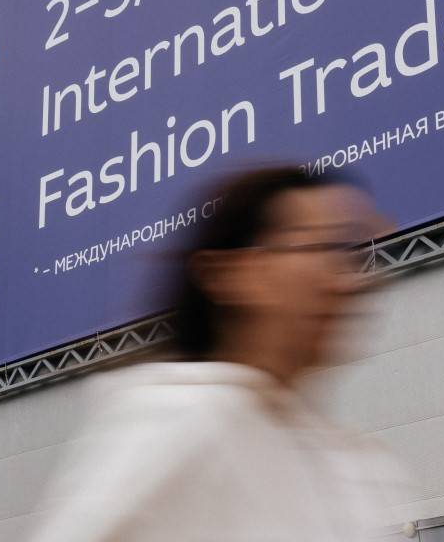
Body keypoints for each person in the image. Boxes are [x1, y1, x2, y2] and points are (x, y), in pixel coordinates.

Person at [29, 167, 410, 542]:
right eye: (319, 248)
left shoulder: (357, 464)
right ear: (231, 273)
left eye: (349, 254)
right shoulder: (179, 419)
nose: (346, 282)